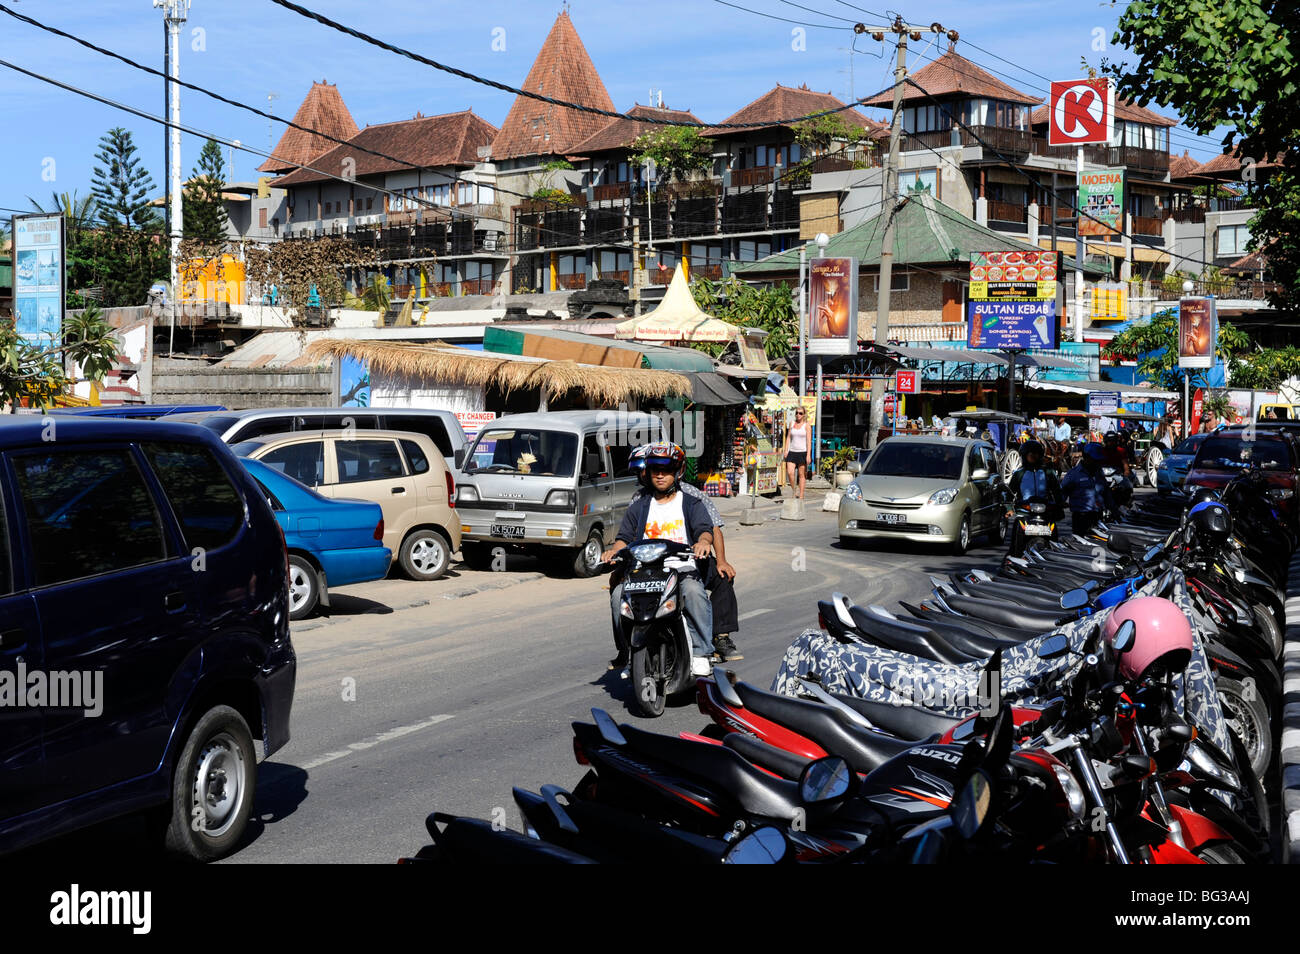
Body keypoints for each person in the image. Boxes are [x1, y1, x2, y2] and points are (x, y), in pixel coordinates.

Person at [613, 444, 743, 667]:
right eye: (655, 469)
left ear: (678, 471)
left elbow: (708, 529)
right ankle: (626, 652)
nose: (660, 475)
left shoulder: (692, 500)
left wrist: (705, 544)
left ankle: (704, 650)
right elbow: (623, 537)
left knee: (695, 590)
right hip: (646, 569)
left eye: (667, 469)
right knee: (617, 595)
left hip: (682, 567)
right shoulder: (639, 504)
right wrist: (613, 552)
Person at [1005, 439, 1064, 556]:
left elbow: (1057, 491)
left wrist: (1060, 504)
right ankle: (1013, 558)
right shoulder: (1018, 474)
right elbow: (1009, 494)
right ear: (1024, 455)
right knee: (1014, 547)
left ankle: (1055, 559)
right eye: (1030, 453)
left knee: (1055, 541)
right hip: (1024, 512)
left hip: (1045, 512)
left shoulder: (1048, 473)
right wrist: (1009, 508)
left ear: (1041, 455)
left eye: (1036, 453)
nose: (1033, 456)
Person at [1060, 443, 1114, 538]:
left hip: (1098, 517)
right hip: (1081, 518)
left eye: (1098, 460)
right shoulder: (1073, 475)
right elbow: (1062, 494)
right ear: (1086, 457)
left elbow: (1106, 492)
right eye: (1094, 459)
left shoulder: (1099, 473)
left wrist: (1113, 510)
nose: (1096, 462)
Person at [781, 407, 811, 499]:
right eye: (797, 413)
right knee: (790, 472)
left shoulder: (807, 426)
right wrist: (786, 450)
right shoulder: (792, 423)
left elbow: (808, 441)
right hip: (792, 451)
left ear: (804, 415)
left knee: (802, 475)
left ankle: (801, 495)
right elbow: (788, 437)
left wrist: (808, 455)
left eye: (800, 413)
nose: (798, 415)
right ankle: (794, 490)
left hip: (802, 452)